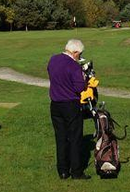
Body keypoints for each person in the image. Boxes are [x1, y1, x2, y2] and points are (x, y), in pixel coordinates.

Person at [47, 38, 89, 180]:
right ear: (75, 52)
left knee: (61, 138)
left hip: (55, 105)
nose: (80, 56)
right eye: (80, 54)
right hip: (70, 105)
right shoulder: (73, 66)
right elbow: (79, 87)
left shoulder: (53, 60)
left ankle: (63, 171)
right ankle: (76, 172)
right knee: (75, 138)